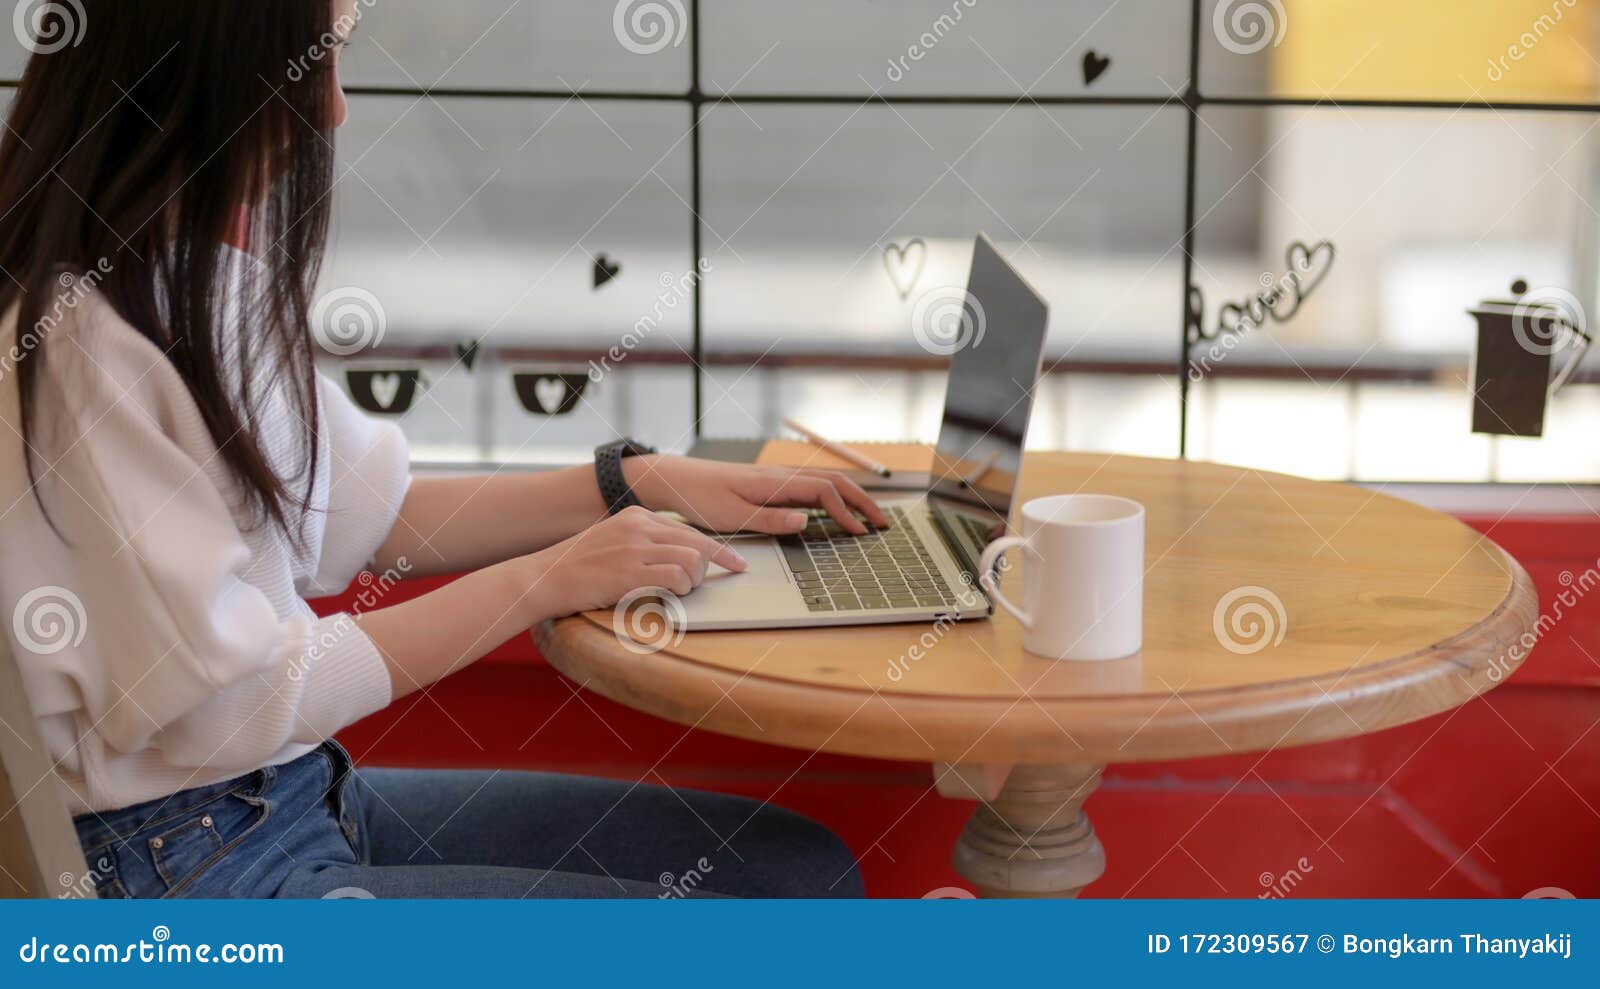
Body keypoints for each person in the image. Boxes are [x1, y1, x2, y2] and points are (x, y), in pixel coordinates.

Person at [0, 0, 886, 899]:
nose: (333, 109)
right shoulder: (84, 347)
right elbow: (226, 707)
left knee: (800, 874)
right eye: (315, 65)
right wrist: (543, 578)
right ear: (202, 72)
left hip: (290, 797)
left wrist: (638, 481)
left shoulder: (192, 279)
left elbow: (376, 517)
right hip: (181, 868)